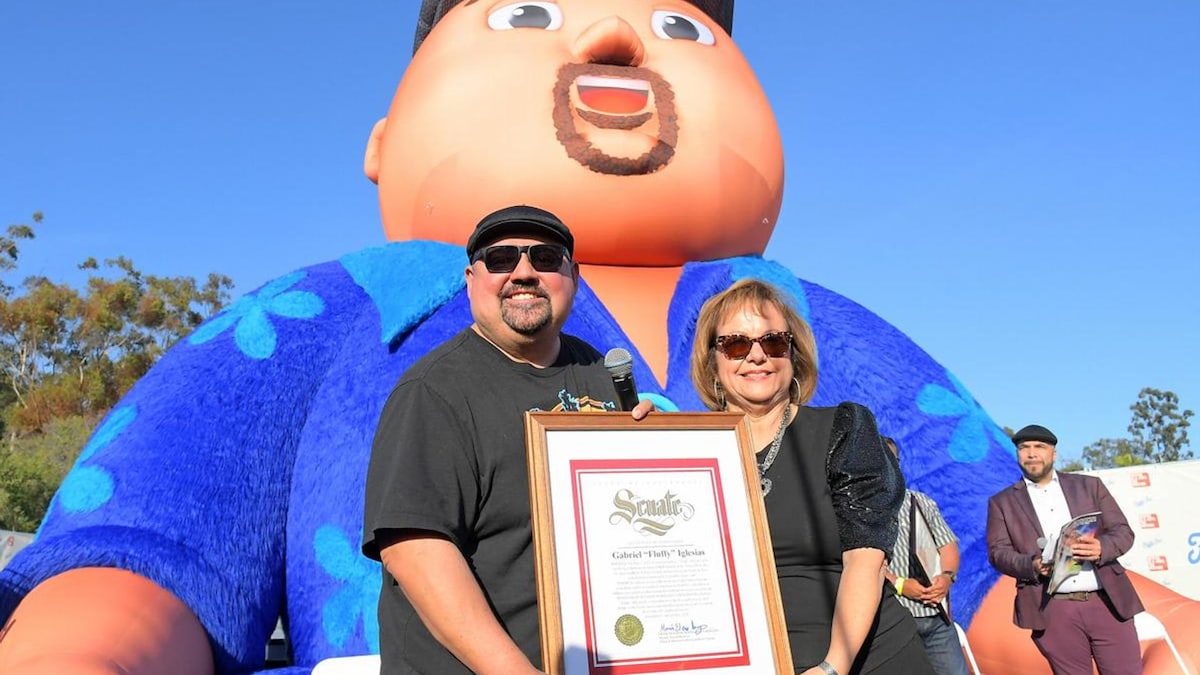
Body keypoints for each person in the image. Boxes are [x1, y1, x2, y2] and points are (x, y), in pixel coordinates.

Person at [7, 0, 1195, 673]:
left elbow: (975, 519)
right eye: (526, 12)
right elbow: (163, 514)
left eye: (680, 24)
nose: (620, 38)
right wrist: (98, 628)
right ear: (383, 138)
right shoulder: (359, 308)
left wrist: (1101, 628)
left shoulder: (784, 307)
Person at [362, 204, 651, 674]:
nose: (523, 273)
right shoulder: (433, 391)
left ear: (573, 276)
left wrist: (662, 450)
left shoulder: (600, 373)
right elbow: (413, 551)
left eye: (545, 258)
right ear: (471, 279)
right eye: (500, 260)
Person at [689, 279, 933, 675]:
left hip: (864, 662)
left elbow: (866, 560)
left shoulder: (844, 429)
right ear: (712, 361)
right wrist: (635, 439)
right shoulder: (686, 451)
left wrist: (831, 667)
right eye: (735, 344)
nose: (756, 356)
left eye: (773, 342)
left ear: (794, 354)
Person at [986, 424, 1145, 675]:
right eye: (1024, 448)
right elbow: (998, 553)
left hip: (1106, 602)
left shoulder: (1090, 486)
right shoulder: (1002, 502)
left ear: (1054, 453)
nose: (1031, 453)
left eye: (1040, 447)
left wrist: (1101, 547)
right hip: (1052, 608)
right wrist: (1032, 565)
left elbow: (1123, 532)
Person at [881, 437, 971, 675]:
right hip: (892, 618)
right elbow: (859, 564)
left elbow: (948, 546)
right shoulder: (858, 508)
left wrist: (947, 578)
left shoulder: (921, 502)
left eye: (893, 460)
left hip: (936, 617)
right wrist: (900, 585)